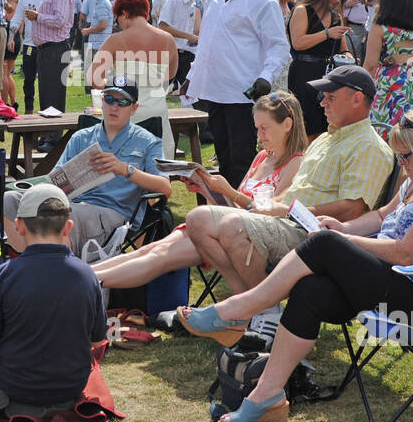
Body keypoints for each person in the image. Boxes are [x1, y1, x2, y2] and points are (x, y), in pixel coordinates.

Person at [177, 108, 413, 422]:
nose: (402, 165)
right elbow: (382, 217)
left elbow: (408, 253)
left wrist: (341, 238)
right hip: (393, 282)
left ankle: (237, 311)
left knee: (325, 245)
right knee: (310, 289)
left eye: (405, 156)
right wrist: (345, 227)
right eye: (398, 157)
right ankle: (266, 398)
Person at [182, 65, 395, 298]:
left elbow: (352, 210)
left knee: (233, 227)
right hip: (287, 222)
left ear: (357, 99)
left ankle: (252, 307)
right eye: (323, 97)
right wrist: (270, 207)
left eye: (331, 97)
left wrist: (290, 211)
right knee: (197, 218)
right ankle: (252, 303)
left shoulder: (369, 147)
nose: (322, 103)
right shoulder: (326, 138)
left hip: (313, 234)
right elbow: (296, 190)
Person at [91, 91, 306, 293]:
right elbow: (235, 207)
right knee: (149, 250)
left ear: (287, 125)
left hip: (243, 239)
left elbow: (267, 211)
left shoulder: (295, 163)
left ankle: (85, 284)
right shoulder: (262, 158)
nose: (259, 134)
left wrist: (227, 190)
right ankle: (85, 275)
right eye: (257, 127)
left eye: (264, 128)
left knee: (160, 256)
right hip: (225, 227)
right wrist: (207, 189)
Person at [0, 184, 107, 422]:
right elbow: (98, 341)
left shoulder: (5, 274)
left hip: (13, 385)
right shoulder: (88, 276)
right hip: (70, 385)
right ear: (68, 227)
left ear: (19, 226)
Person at [2, 78, 170, 256]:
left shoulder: (148, 142)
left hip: (112, 213)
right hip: (72, 203)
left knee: (59, 217)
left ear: (134, 108)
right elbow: (55, 179)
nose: (115, 107)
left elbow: (165, 188)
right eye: (110, 99)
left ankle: (45, 271)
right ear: (102, 101)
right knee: (9, 200)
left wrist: (125, 169)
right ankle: (28, 262)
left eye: (122, 102)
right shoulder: (81, 137)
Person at [187, 0, 288, 187]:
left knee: (242, 157)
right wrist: (192, 77)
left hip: (243, 92)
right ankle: (224, 209)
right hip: (214, 90)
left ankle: (242, 209)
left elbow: (279, 46)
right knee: (222, 155)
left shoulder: (265, 1)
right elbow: (206, 43)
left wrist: (266, 76)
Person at [89, 0, 178, 157]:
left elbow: (94, 79)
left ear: (123, 13)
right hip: (156, 114)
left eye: (117, 18)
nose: (118, 23)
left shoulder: (115, 40)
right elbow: (170, 75)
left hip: (123, 114)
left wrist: (112, 87)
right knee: (157, 170)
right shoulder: (167, 39)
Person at [287, 0, 351, 139]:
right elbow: (298, 43)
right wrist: (328, 33)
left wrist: (349, 59)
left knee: (328, 128)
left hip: (328, 78)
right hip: (304, 76)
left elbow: (343, 49)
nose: (337, 0)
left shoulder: (336, 17)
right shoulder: (303, 11)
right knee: (306, 129)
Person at [363, 0, 413, 135]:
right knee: (411, 133)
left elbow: (370, 64)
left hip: (388, 80)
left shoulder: (380, 25)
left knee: (384, 130)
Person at [26, 0, 76, 145]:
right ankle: (48, 134)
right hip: (49, 48)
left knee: (53, 93)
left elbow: (59, 20)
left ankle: (53, 138)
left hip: (55, 48)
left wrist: (37, 16)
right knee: (47, 92)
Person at [156, 0, 203, 95]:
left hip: (187, 54)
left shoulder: (194, 4)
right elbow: (163, 27)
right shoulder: (174, 1)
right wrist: (189, 36)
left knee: (185, 94)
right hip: (173, 53)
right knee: (164, 93)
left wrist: (193, 39)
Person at [8, 0, 46, 112]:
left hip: (48, 46)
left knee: (46, 81)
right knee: (29, 79)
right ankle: (28, 109)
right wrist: (11, 37)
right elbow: (16, 20)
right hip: (30, 46)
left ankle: (46, 110)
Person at [1, 0, 21, 108]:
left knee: (4, 74)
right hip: (17, 38)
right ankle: (13, 101)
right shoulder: (20, 7)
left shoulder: (8, 7)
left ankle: (4, 102)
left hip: (7, 37)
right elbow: (21, 27)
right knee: (8, 73)